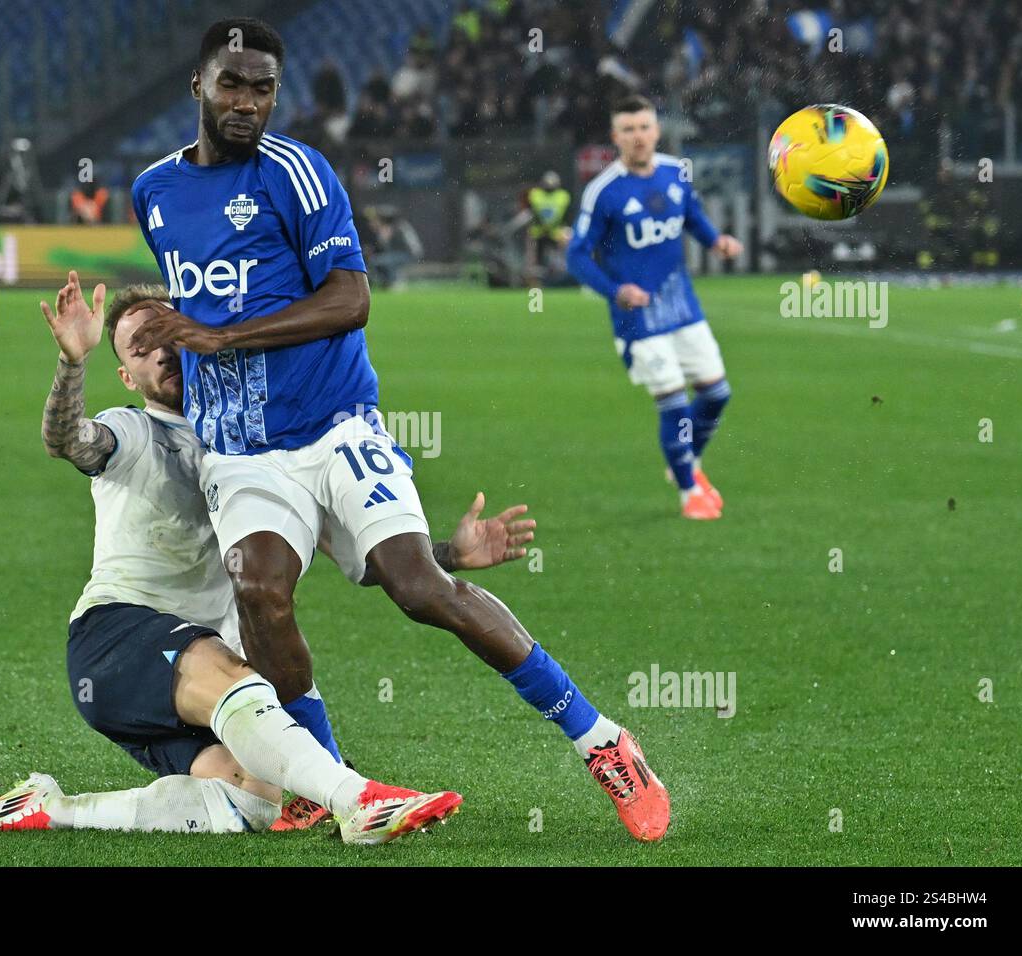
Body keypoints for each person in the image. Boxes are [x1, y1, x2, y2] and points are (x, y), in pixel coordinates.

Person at [127, 17, 670, 841]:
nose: (246, 103)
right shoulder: (154, 192)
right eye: (231, 84)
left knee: (419, 588)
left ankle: (604, 742)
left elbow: (351, 299)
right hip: (238, 449)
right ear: (197, 86)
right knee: (261, 591)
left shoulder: (296, 174)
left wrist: (222, 336)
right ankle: (327, 782)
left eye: (263, 87)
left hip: (334, 424)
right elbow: (195, 299)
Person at [0, 271, 534, 842]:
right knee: (241, 678)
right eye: (143, 348)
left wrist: (448, 556)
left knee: (251, 799)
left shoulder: (256, 452)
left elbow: (354, 553)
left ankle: (50, 810)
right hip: (117, 641)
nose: (163, 353)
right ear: (126, 376)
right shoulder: (131, 433)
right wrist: (74, 360)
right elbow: (67, 438)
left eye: (170, 334)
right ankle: (359, 802)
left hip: (192, 669)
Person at [566, 94, 743, 520]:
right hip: (638, 317)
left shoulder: (675, 172)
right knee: (673, 402)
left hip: (680, 303)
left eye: (644, 127)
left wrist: (716, 241)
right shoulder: (603, 191)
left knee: (717, 393)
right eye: (628, 129)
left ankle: (685, 460)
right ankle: (688, 492)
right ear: (615, 137)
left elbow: (693, 217)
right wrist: (615, 290)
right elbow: (576, 255)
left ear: (657, 131)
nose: (638, 136)